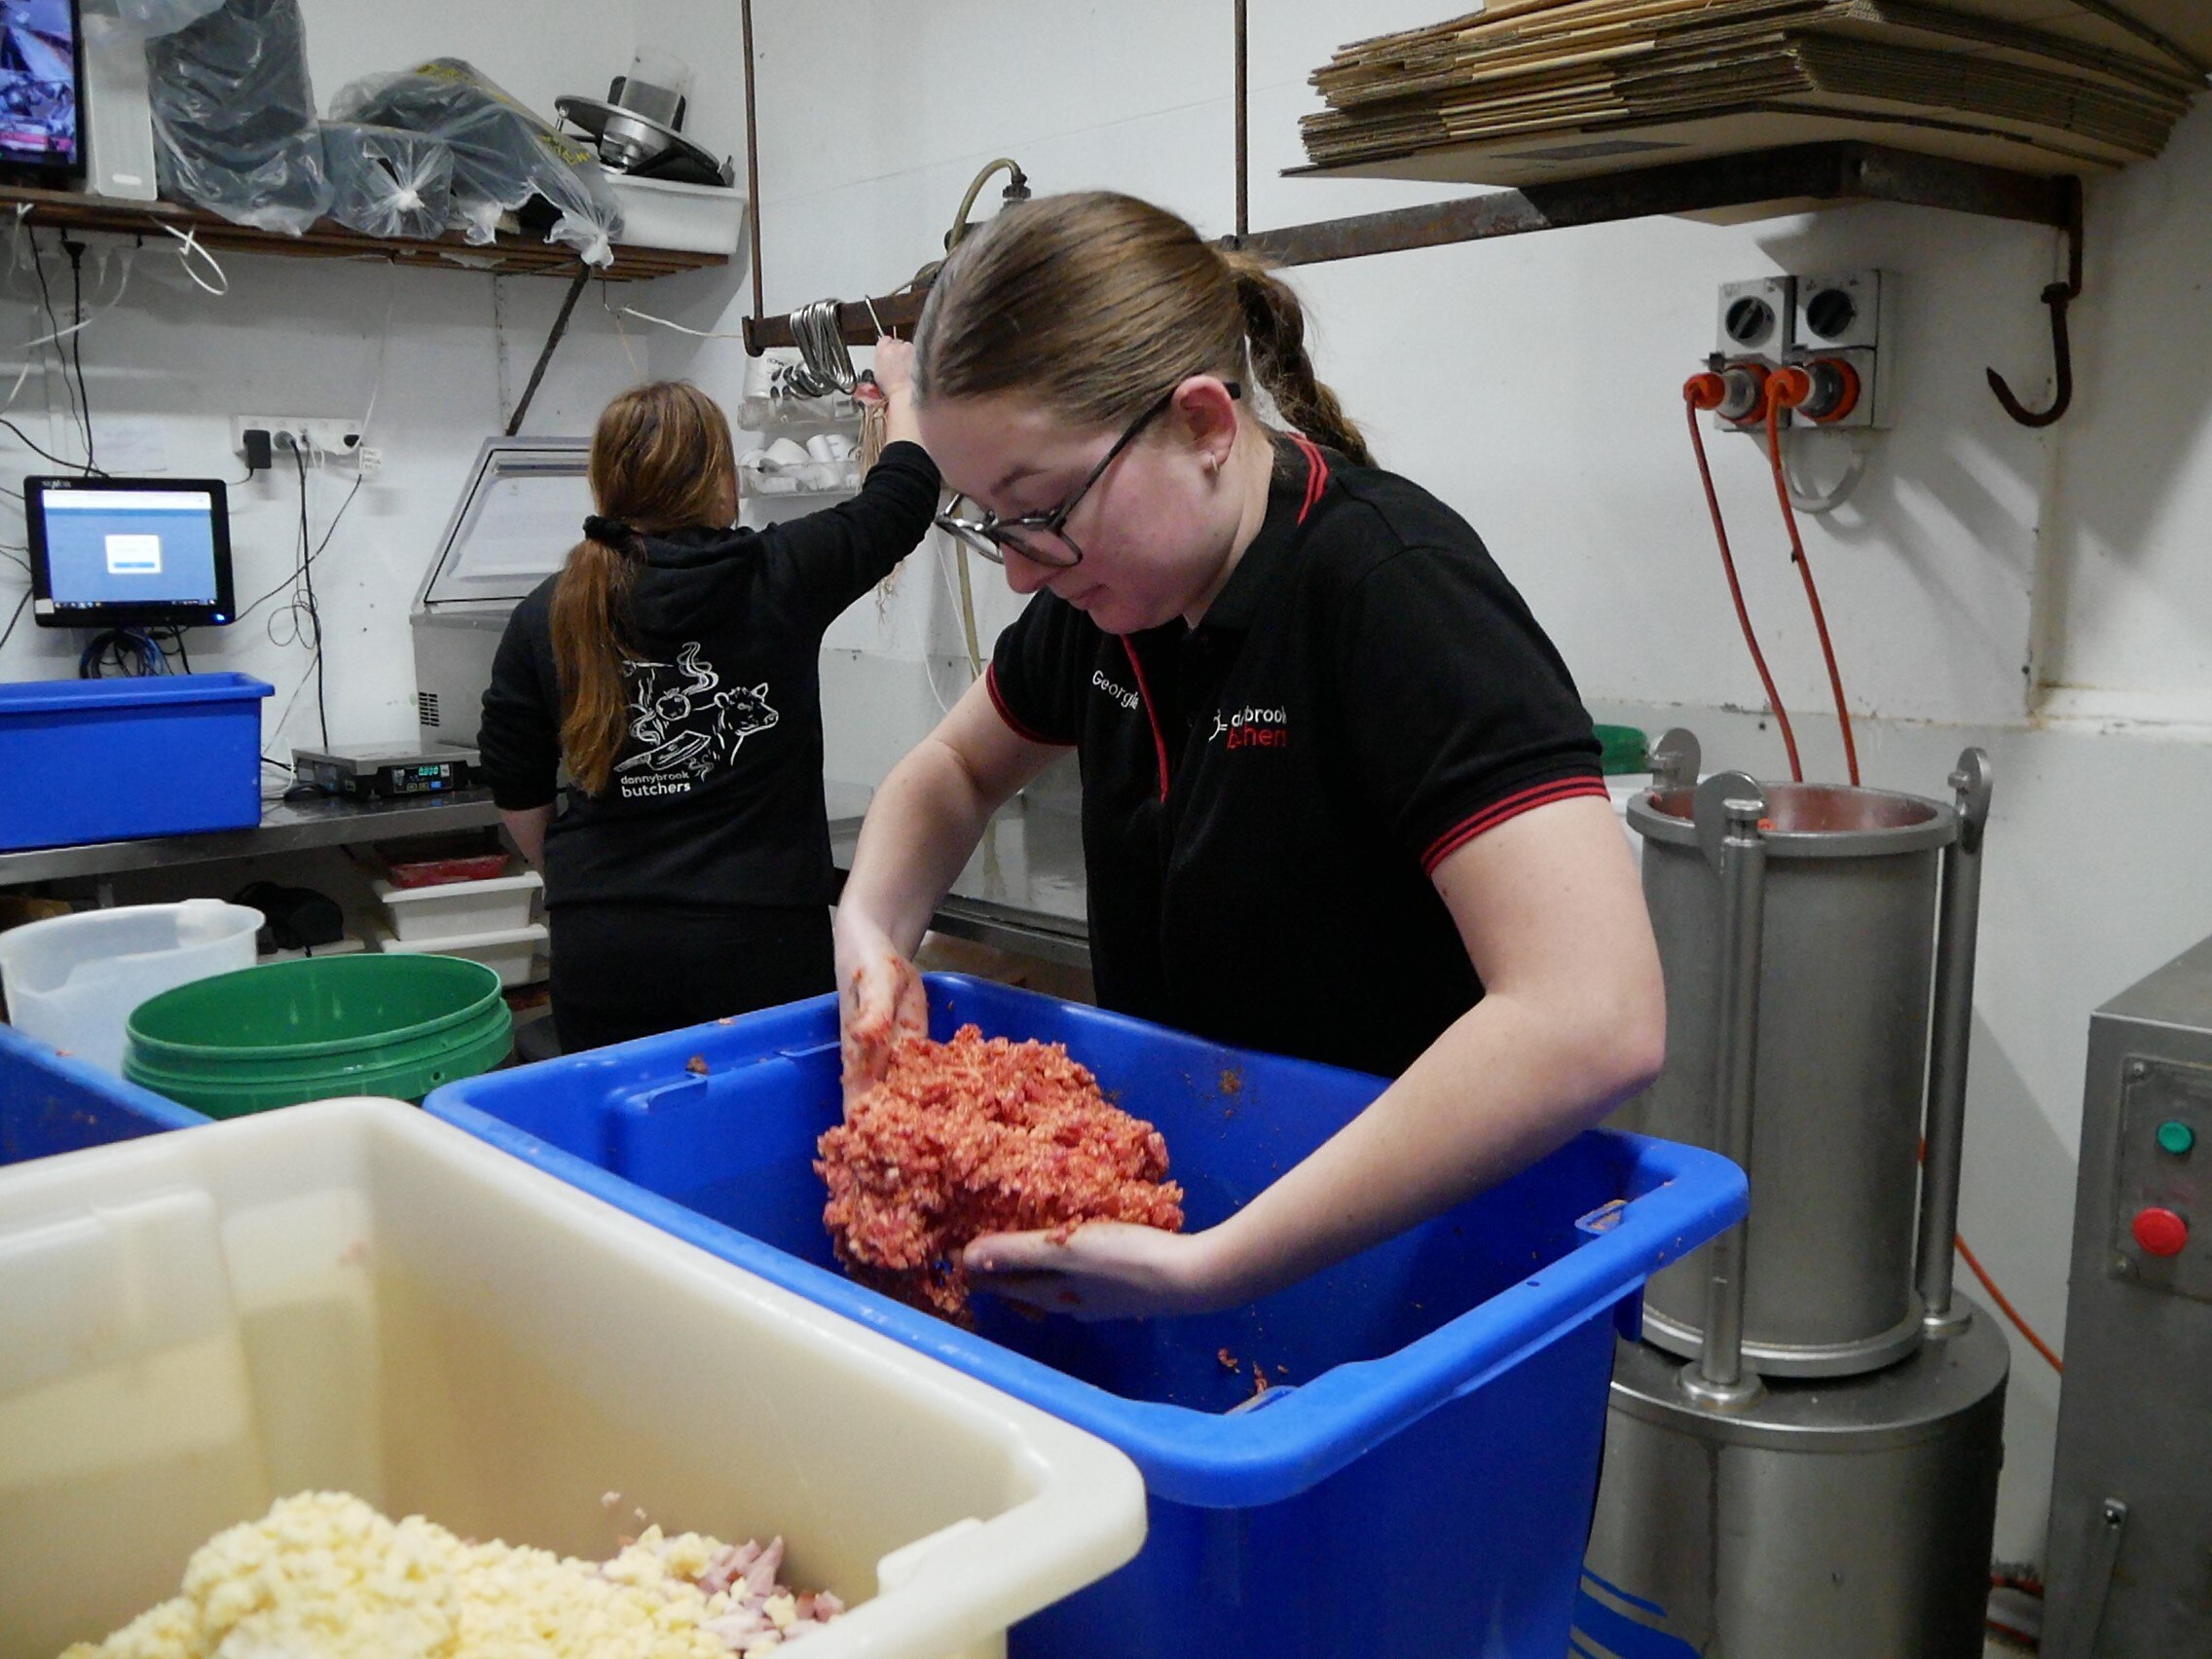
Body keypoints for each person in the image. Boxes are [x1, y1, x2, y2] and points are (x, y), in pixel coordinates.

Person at [833, 193, 1664, 1321]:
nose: (1022, 572)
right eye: (988, 520)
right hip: (1201, 1193)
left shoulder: (1388, 588)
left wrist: (1215, 1267)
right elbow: (956, 769)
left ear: (1205, 425)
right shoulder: (1106, 597)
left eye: (1038, 508)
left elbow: (1593, 1016)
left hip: (1403, 1243)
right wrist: (873, 933)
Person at [479, 355, 939, 1051]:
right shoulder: (780, 574)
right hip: (760, 944)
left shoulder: (547, 612)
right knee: (760, 1142)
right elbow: (899, 500)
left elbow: (517, 793)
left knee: (622, 1149)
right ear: (721, 481)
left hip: (602, 949)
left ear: (606, 481)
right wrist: (902, 390)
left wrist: (596, 882)